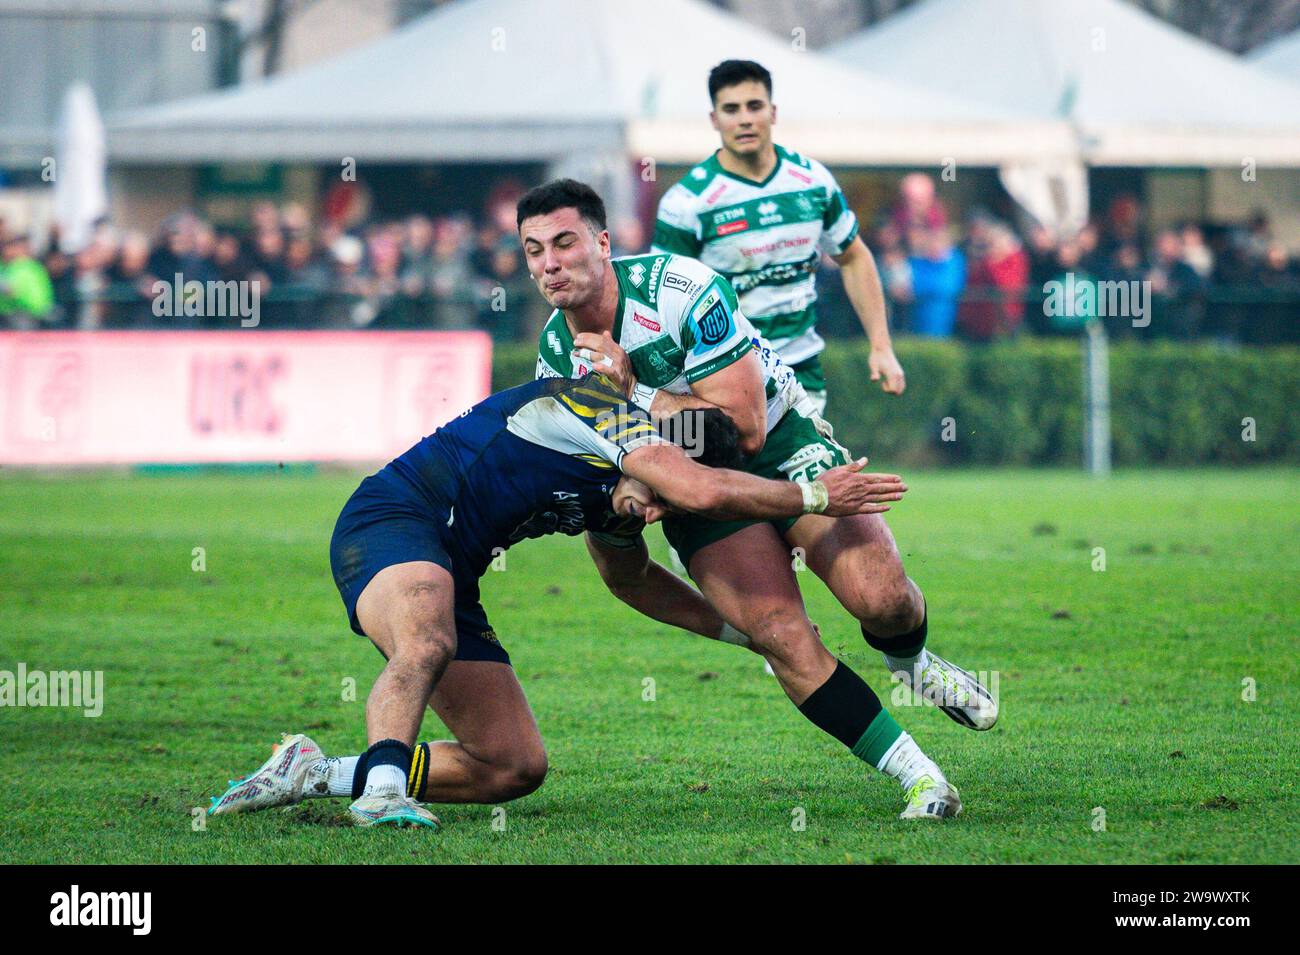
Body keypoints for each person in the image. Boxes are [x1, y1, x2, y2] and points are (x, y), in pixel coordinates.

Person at [208, 374, 903, 827]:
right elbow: (700, 491)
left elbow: (631, 580)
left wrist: (740, 632)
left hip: (455, 571)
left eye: (663, 502)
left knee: (512, 765)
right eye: (660, 488)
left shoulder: (629, 496)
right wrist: (814, 496)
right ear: (659, 439)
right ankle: (384, 792)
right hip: (393, 520)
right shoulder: (594, 406)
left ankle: (315, 770)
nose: (653, 509)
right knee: (427, 638)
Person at [527, 178, 998, 822]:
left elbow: (739, 431)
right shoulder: (555, 358)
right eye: (533, 251)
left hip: (778, 438)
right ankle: (921, 779)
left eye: (564, 243)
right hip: (695, 493)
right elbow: (612, 469)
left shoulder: (680, 289)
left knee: (881, 598)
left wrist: (634, 392)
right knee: (780, 634)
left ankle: (911, 661)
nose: (550, 264)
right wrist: (636, 491)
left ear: (603, 244)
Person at [652, 60, 904, 417]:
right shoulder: (687, 202)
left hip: (799, 372)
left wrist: (882, 346)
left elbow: (854, 257)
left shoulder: (813, 182)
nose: (744, 119)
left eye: (754, 106)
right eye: (731, 109)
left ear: (772, 112)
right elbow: (662, 301)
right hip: (718, 375)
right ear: (714, 119)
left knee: (811, 476)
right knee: (713, 475)